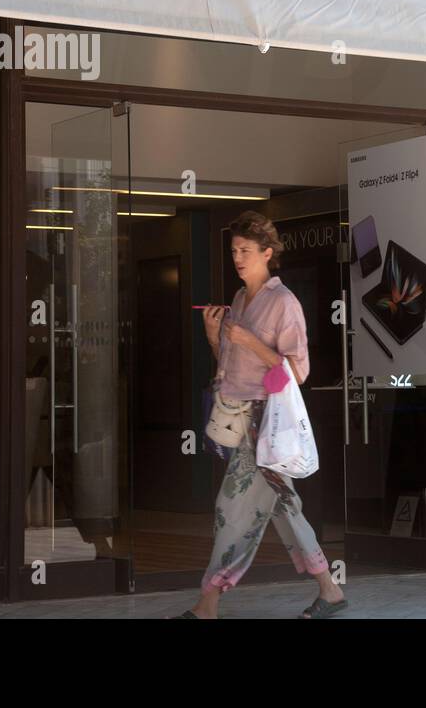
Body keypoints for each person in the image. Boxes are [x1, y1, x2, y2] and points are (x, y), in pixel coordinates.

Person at [176, 211, 346, 619]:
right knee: (285, 507)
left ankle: (208, 602)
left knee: (230, 509)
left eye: (246, 251)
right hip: (243, 420)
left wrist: (250, 341)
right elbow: (231, 367)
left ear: (267, 253)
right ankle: (331, 590)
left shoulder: (284, 303)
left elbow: (297, 371)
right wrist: (215, 337)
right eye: (234, 250)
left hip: (266, 424)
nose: (238, 257)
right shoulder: (238, 299)